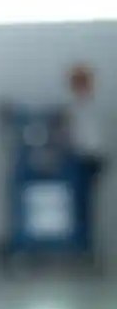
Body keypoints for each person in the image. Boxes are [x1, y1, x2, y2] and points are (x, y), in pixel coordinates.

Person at [66, 64, 106, 257]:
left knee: (84, 206)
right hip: (84, 158)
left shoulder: (88, 106)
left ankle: (86, 248)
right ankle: (83, 247)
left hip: (88, 159)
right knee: (81, 205)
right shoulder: (80, 106)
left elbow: (88, 139)